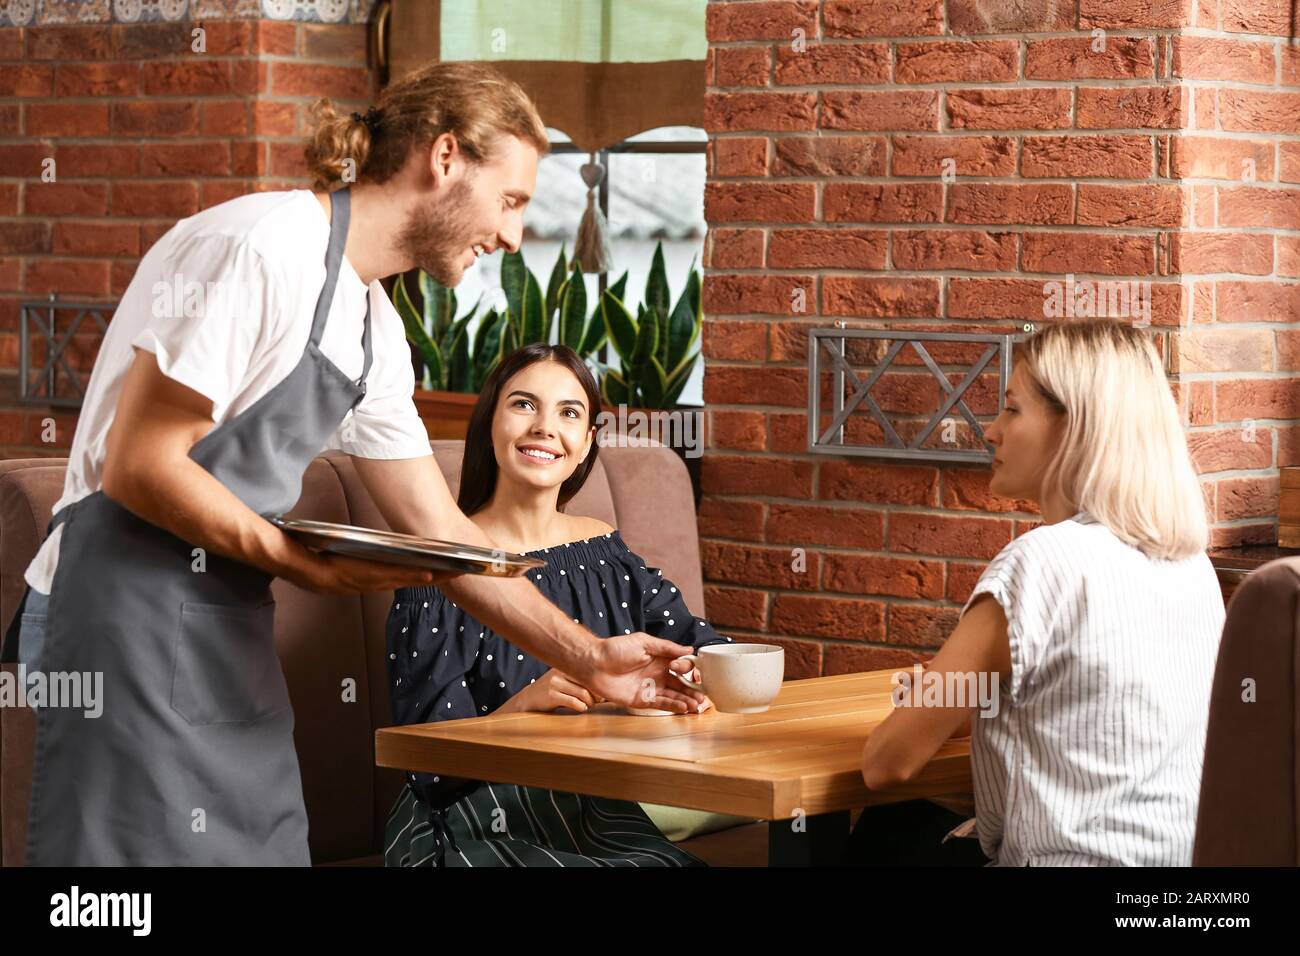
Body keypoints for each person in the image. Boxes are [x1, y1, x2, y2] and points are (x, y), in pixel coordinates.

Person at [1, 61, 703, 867]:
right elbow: (140, 462)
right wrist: (302, 563)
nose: (512, 236)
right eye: (509, 200)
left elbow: (437, 531)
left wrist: (590, 657)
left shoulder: (372, 326)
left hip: (224, 629)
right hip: (119, 621)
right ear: (445, 158)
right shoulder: (261, 247)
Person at [851, 320, 1225, 866]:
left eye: (1012, 409)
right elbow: (1086, 713)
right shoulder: (1192, 563)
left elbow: (887, 763)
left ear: (1073, 427)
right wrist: (961, 693)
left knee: (889, 825)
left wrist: (933, 696)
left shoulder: (1038, 563)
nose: (990, 431)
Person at [384, 343, 733, 866]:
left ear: (587, 439)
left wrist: (691, 673)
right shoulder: (439, 571)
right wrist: (526, 704)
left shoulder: (606, 552)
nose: (545, 427)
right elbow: (431, 765)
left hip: (596, 809)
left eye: (569, 413)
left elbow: (702, 645)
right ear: (490, 422)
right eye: (524, 404)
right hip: (472, 818)